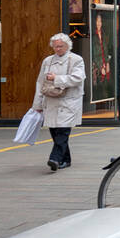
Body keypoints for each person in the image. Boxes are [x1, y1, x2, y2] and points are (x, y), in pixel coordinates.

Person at [32, 33, 85, 171]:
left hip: (69, 102)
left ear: (68, 46)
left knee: (63, 131)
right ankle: (65, 159)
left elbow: (78, 78)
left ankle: (54, 159)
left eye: (60, 46)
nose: (58, 49)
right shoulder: (47, 61)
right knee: (55, 132)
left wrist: (57, 78)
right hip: (50, 101)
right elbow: (40, 83)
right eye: (55, 46)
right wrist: (37, 105)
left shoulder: (76, 60)